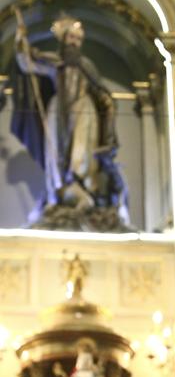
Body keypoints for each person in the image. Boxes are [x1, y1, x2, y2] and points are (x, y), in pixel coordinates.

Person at [12, 12, 128, 226]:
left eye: (78, 39)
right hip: (58, 111)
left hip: (84, 110)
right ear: (63, 39)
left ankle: (80, 189)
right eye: (71, 38)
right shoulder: (54, 62)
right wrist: (20, 40)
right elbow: (27, 63)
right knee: (55, 151)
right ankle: (60, 192)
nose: (74, 43)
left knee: (82, 150)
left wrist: (108, 112)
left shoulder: (86, 66)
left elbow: (101, 92)